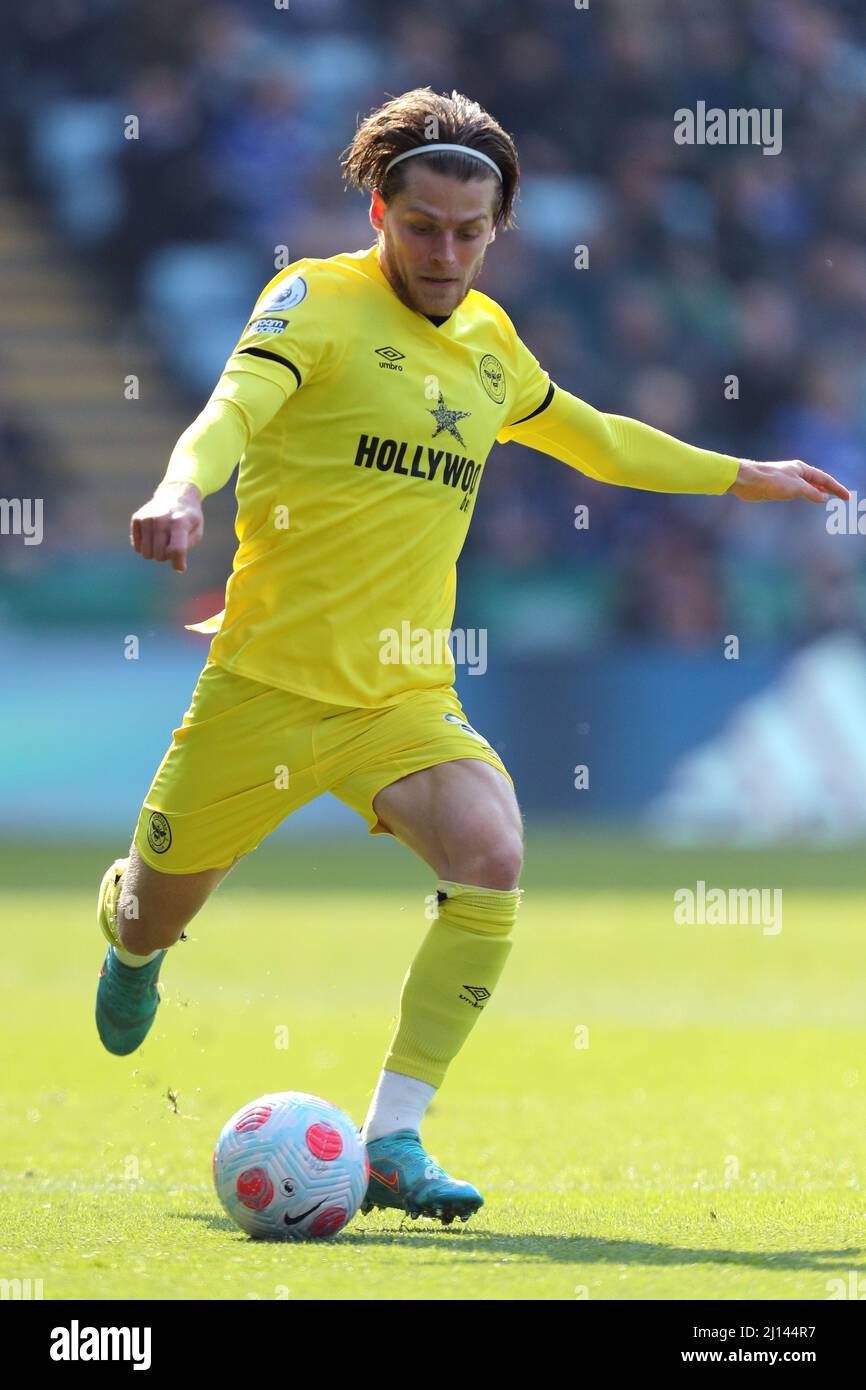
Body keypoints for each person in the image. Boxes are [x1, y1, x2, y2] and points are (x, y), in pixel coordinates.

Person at [95, 88, 847, 1226]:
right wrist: (175, 489)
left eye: (468, 231)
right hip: (260, 688)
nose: (444, 253)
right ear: (378, 212)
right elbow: (228, 411)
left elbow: (594, 436)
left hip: (400, 693)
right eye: (421, 226)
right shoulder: (313, 300)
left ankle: (392, 1135)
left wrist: (744, 473)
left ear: (498, 227)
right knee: (153, 914)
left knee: (491, 851)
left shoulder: (490, 343)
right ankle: (132, 934)